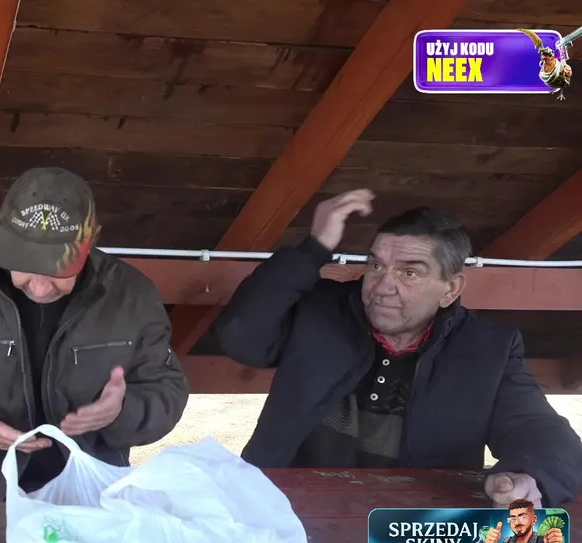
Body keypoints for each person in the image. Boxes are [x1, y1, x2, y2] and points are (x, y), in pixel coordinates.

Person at [215, 188, 582, 507]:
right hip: (285, 510)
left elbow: (542, 433)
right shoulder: (321, 311)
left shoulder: (486, 350)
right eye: (376, 266)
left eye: (409, 272)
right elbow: (241, 335)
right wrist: (314, 248)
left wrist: (530, 477)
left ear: (450, 289)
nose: (382, 286)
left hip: (412, 530)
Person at [0, 167, 190, 501]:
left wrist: (122, 411)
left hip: (91, 496)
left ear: (92, 241)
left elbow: (166, 390)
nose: (39, 288)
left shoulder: (131, 295)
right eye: (25, 264)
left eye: (57, 269)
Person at [480, 499, 565, 543]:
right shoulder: (507, 542)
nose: (517, 522)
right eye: (513, 518)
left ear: (534, 520)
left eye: (522, 517)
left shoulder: (541, 542)